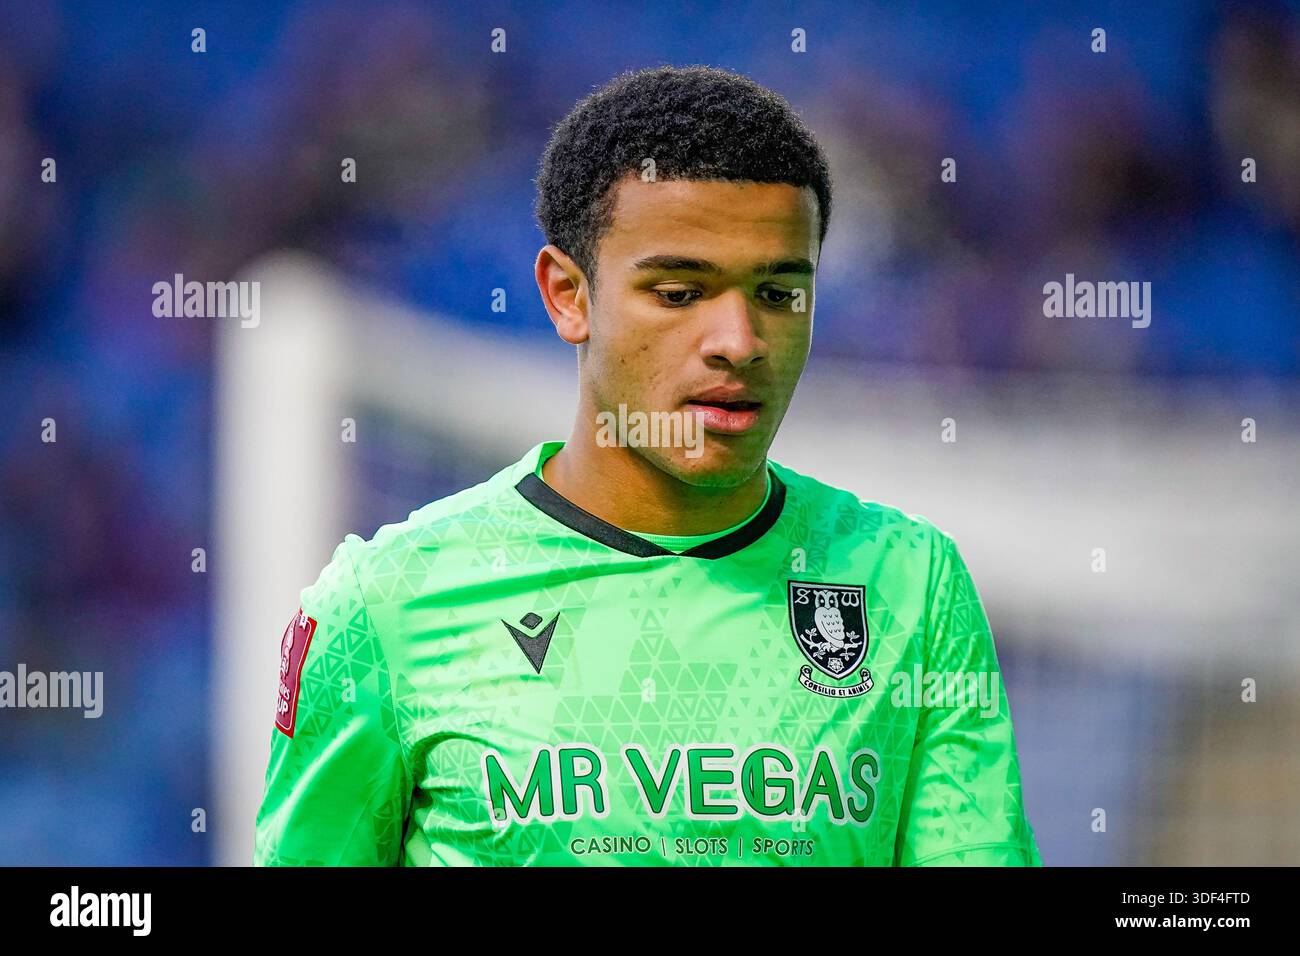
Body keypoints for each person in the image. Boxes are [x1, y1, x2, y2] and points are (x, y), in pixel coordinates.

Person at [254, 64, 1041, 867]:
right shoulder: (385, 605)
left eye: (778, 294)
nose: (738, 340)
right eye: (677, 292)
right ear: (569, 296)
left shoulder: (911, 584)